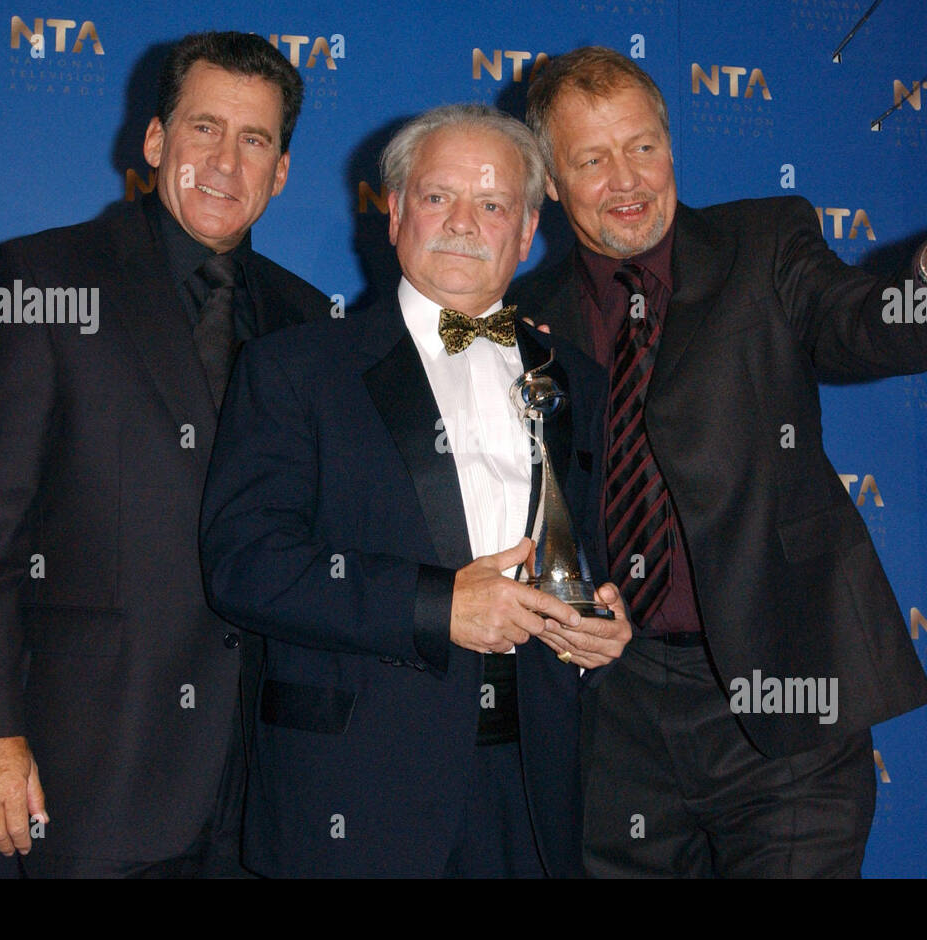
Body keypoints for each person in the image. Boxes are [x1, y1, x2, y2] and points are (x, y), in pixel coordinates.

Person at [508, 46, 927, 877]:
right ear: (548, 179)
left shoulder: (763, 242)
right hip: (613, 720)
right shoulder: (523, 323)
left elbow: (856, 321)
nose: (628, 179)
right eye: (593, 158)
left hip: (786, 696)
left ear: (672, 145)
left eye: (643, 146)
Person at [0, 31, 331, 877]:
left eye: (255, 139)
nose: (225, 160)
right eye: (204, 128)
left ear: (281, 171)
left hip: (265, 786)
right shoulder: (39, 278)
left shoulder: (309, 321)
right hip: (94, 773)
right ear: (154, 141)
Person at [199, 103, 631, 877]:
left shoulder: (579, 380)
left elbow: (586, 550)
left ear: (527, 229)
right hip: (356, 796)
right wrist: (439, 605)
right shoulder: (294, 367)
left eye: (493, 204)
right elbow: (246, 564)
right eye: (438, 197)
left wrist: (600, 621)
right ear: (395, 211)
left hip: (533, 796)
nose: (464, 222)